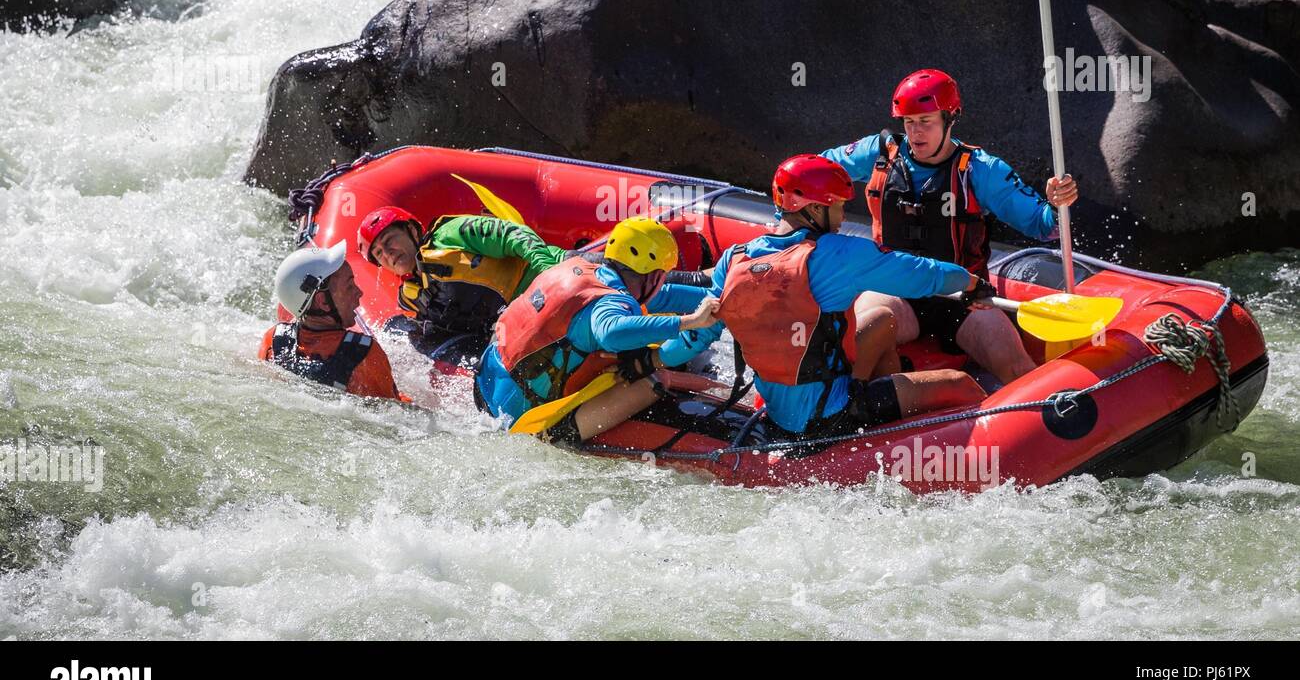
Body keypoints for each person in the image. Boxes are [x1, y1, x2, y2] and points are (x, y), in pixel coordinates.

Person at [664, 155, 989, 439]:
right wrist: (970, 281)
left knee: (882, 320)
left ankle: (892, 420)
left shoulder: (735, 259)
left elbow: (696, 338)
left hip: (779, 416)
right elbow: (922, 274)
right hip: (832, 419)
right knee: (958, 384)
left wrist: (656, 363)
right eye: (839, 206)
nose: (844, 215)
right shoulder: (839, 253)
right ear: (815, 209)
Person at [822, 68, 1079, 384]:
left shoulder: (981, 170)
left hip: (965, 297)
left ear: (949, 118)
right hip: (897, 291)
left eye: (926, 122)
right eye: (909, 122)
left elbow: (1043, 227)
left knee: (1018, 372)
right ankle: (843, 411)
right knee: (856, 344)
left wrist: (1057, 205)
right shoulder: (878, 152)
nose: (916, 133)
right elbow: (816, 171)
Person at [475, 217, 720, 446]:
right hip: (517, 412)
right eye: (663, 276)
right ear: (655, 275)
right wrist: (690, 322)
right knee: (653, 380)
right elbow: (611, 333)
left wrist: (722, 301)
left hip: (485, 386)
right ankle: (556, 436)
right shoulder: (609, 303)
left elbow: (662, 297)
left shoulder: (579, 269)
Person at [358, 207, 569, 346]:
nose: (387, 253)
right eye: (379, 253)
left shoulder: (449, 234)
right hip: (524, 322)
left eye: (389, 240)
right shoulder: (411, 297)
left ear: (412, 230)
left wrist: (549, 274)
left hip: (561, 271)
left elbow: (514, 234)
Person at [260, 241, 404, 401]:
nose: (359, 292)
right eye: (349, 286)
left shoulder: (273, 340)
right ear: (323, 301)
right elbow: (394, 410)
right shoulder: (364, 354)